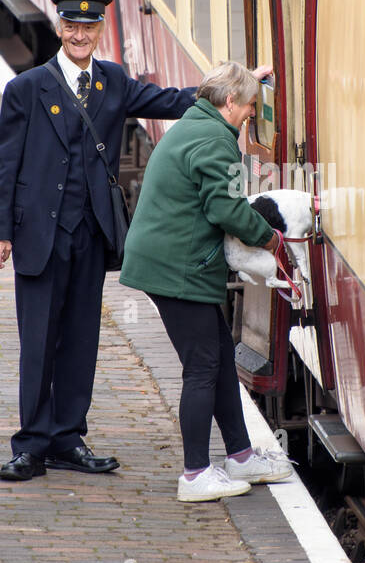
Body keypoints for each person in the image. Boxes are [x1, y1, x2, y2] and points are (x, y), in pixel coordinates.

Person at [0, 0, 205, 482]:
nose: (80, 34)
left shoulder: (114, 81)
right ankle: (31, 444)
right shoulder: (26, 89)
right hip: (39, 235)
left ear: (100, 31)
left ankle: (68, 437)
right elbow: (7, 165)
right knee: (38, 340)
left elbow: (169, 101)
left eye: (89, 27)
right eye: (71, 26)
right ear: (59, 28)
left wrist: (227, 92)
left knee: (82, 338)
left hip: (90, 233)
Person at [119, 62, 294, 502]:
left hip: (171, 260)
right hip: (176, 267)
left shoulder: (196, 122)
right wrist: (268, 237)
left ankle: (239, 456)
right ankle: (195, 473)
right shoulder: (216, 138)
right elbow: (225, 209)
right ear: (230, 102)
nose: (251, 116)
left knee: (216, 357)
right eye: (250, 107)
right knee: (201, 367)